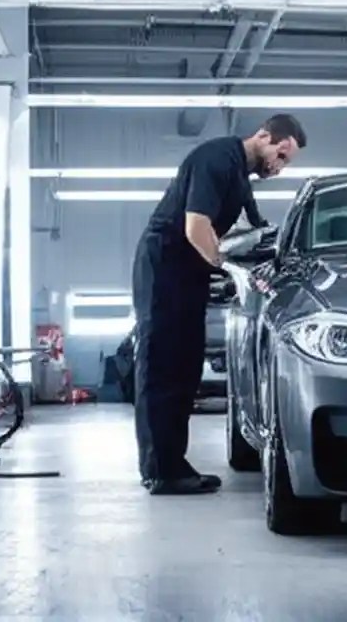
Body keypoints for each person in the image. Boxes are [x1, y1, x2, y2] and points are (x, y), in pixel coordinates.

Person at [131, 114, 307, 495]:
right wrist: (225, 269)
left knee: (185, 369)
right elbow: (196, 227)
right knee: (164, 367)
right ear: (263, 136)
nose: (279, 167)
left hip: (186, 273)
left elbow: (257, 232)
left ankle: (172, 464)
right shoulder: (216, 159)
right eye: (280, 155)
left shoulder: (240, 178)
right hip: (165, 267)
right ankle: (160, 470)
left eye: (286, 162)